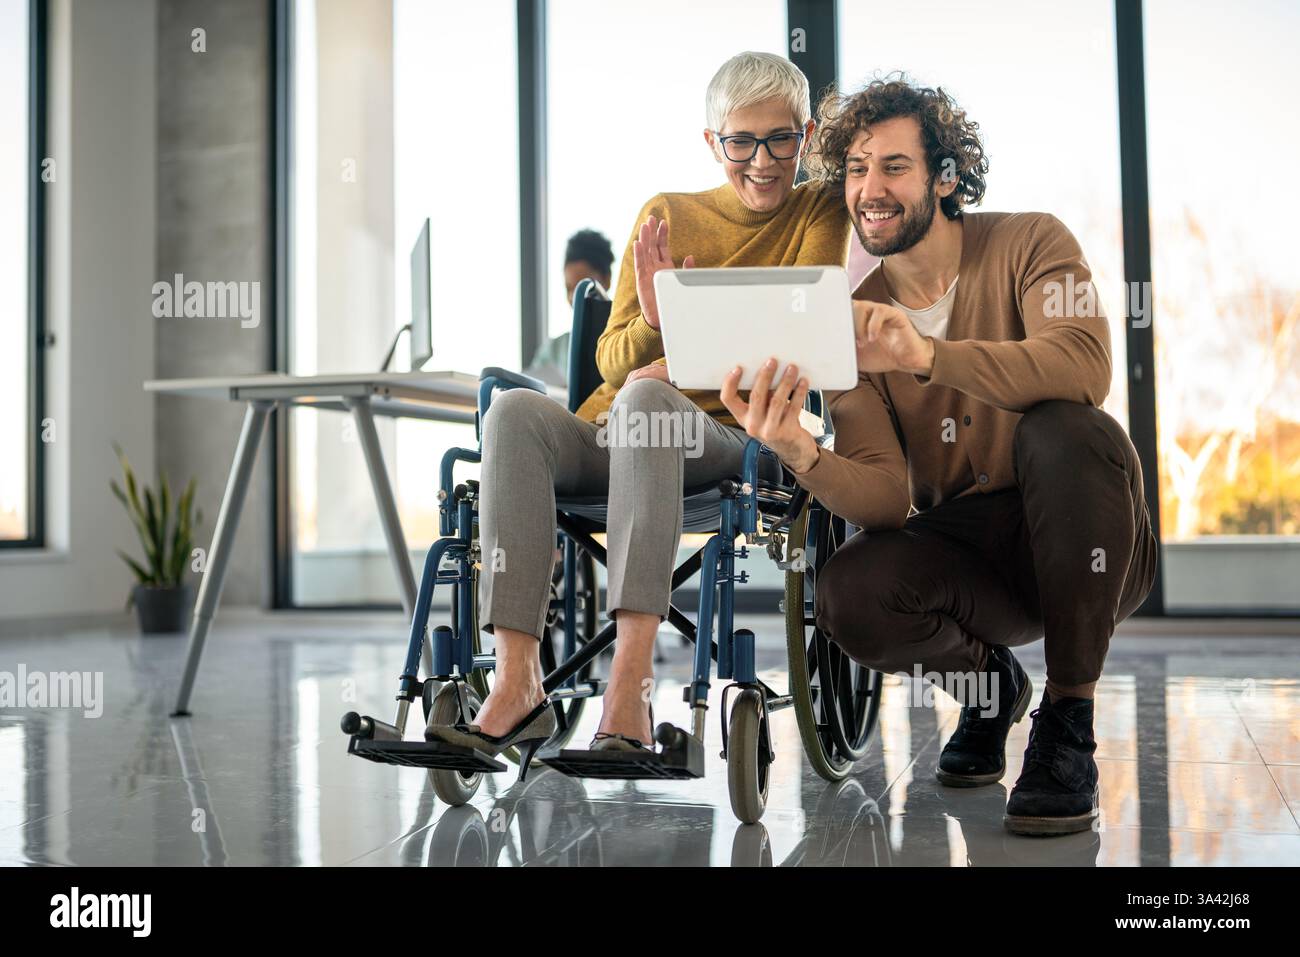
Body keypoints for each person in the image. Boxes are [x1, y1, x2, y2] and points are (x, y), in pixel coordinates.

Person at [719, 76, 1157, 835]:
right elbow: (888, 499)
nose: (869, 190)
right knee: (849, 589)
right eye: (856, 170)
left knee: (1063, 429)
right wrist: (801, 451)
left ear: (946, 176)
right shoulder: (850, 322)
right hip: (974, 559)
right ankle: (992, 690)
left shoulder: (1032, 240)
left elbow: (1084, 365)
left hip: (1087, 534)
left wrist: (928, 353)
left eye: (894, 167)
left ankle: (1067, 721)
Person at [424, 51, 851, 758]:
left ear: (804, 137)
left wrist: (672, 362)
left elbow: (801, 336)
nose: (763, 160)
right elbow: (611, 359)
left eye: (781, 138)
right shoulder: (665, 214)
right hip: (614, 422)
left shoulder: (819, 211)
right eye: (741, 141)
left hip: (724, 439)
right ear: (713, 143)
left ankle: (629, 689)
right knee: (513, 414)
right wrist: (654, 321)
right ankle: (517, 683)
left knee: (650, 397)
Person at [525, 229, 616, 388]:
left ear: (607, 279)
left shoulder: (621, 341)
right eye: (569, 288)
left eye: (582, 286)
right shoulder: (552, 349)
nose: (574, 297)